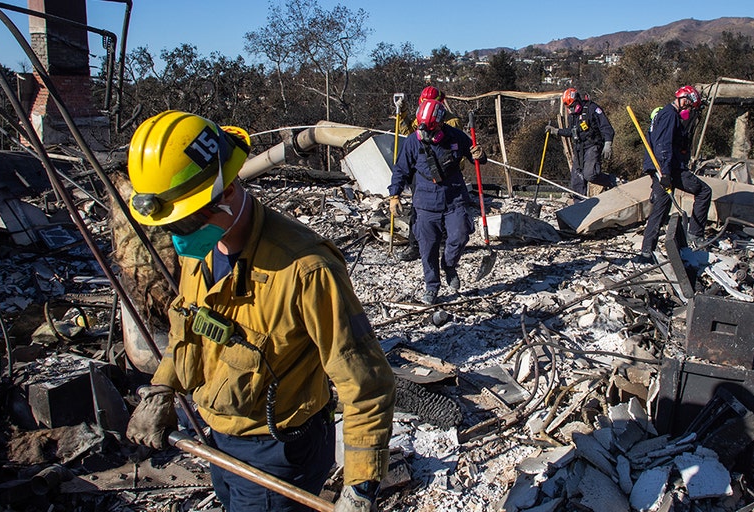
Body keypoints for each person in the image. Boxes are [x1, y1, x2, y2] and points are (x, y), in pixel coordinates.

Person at [123, 110, 395, 512]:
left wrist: (361, 484)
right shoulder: (199, 252)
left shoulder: (305, 269)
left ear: (228, 191)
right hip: (219, 438)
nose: (177, 238)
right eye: (171, 226)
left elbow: (366, 384)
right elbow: (189, 331)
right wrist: (163, 388)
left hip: (279, 452)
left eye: (183, 224)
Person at [388, 99, 486, 305]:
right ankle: (432, 286)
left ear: (441, 122)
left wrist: (480, 155)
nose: (431, 134)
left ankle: (449, 265)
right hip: (425, 202)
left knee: (460, 234)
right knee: (427, 247)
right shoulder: (412, 142)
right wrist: (394, 195)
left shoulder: (455, 136)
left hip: (454, 197)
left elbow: (474, 155)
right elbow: (400, 170)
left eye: (434, 129)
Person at [639, 85, 712, 262]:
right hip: (668, 168)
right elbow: (663, 145)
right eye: (689, 107)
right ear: (684, 100)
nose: (688, 111)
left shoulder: (664, 115)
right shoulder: (670, 115)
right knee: (704, 191)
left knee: (660, 209)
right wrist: (665, 173)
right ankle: (695, 234)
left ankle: (646, 252)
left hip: (663, 168)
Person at [395, 86, 463, 262]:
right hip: (422, 171)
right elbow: (408, 133)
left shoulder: (452, 122)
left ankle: (446, 246)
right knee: (420, 210)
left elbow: (460, 145)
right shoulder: (422, 117)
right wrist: (401, 113)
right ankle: (416, 245)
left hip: (446, 173)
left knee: (449, 211)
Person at [547, 87, 617, 197]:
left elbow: (606, 126)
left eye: (573, 106)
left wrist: (608, 143)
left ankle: (611, 180)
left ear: (578, 100)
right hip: (579, 148)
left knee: (590, 174)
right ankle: (579, 206)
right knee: (577, 180)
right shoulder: (572, 116)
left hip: (592, 146)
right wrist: (556, 131)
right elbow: (571, 131)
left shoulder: (592, 109)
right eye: (569, 107)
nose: (571, 109)